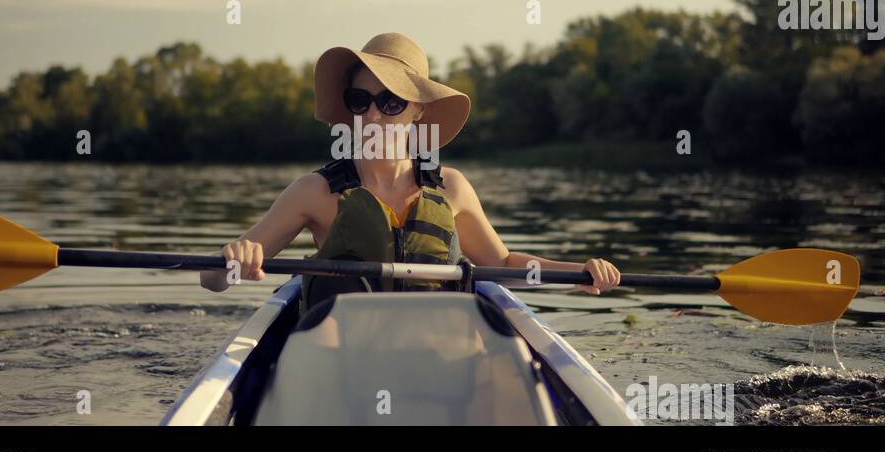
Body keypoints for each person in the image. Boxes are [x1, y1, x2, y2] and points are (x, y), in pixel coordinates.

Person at [201, 32, 620, 310]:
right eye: (360, 100)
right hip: (344, 352)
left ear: (418, 110)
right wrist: (233, 260)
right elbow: (211, 280)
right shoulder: (314, 192)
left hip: (435, 349)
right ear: (349, 107)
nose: (373, 115)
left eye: (391, 103)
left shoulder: (451, 187)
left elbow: (504, 262)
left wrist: (575, 273)